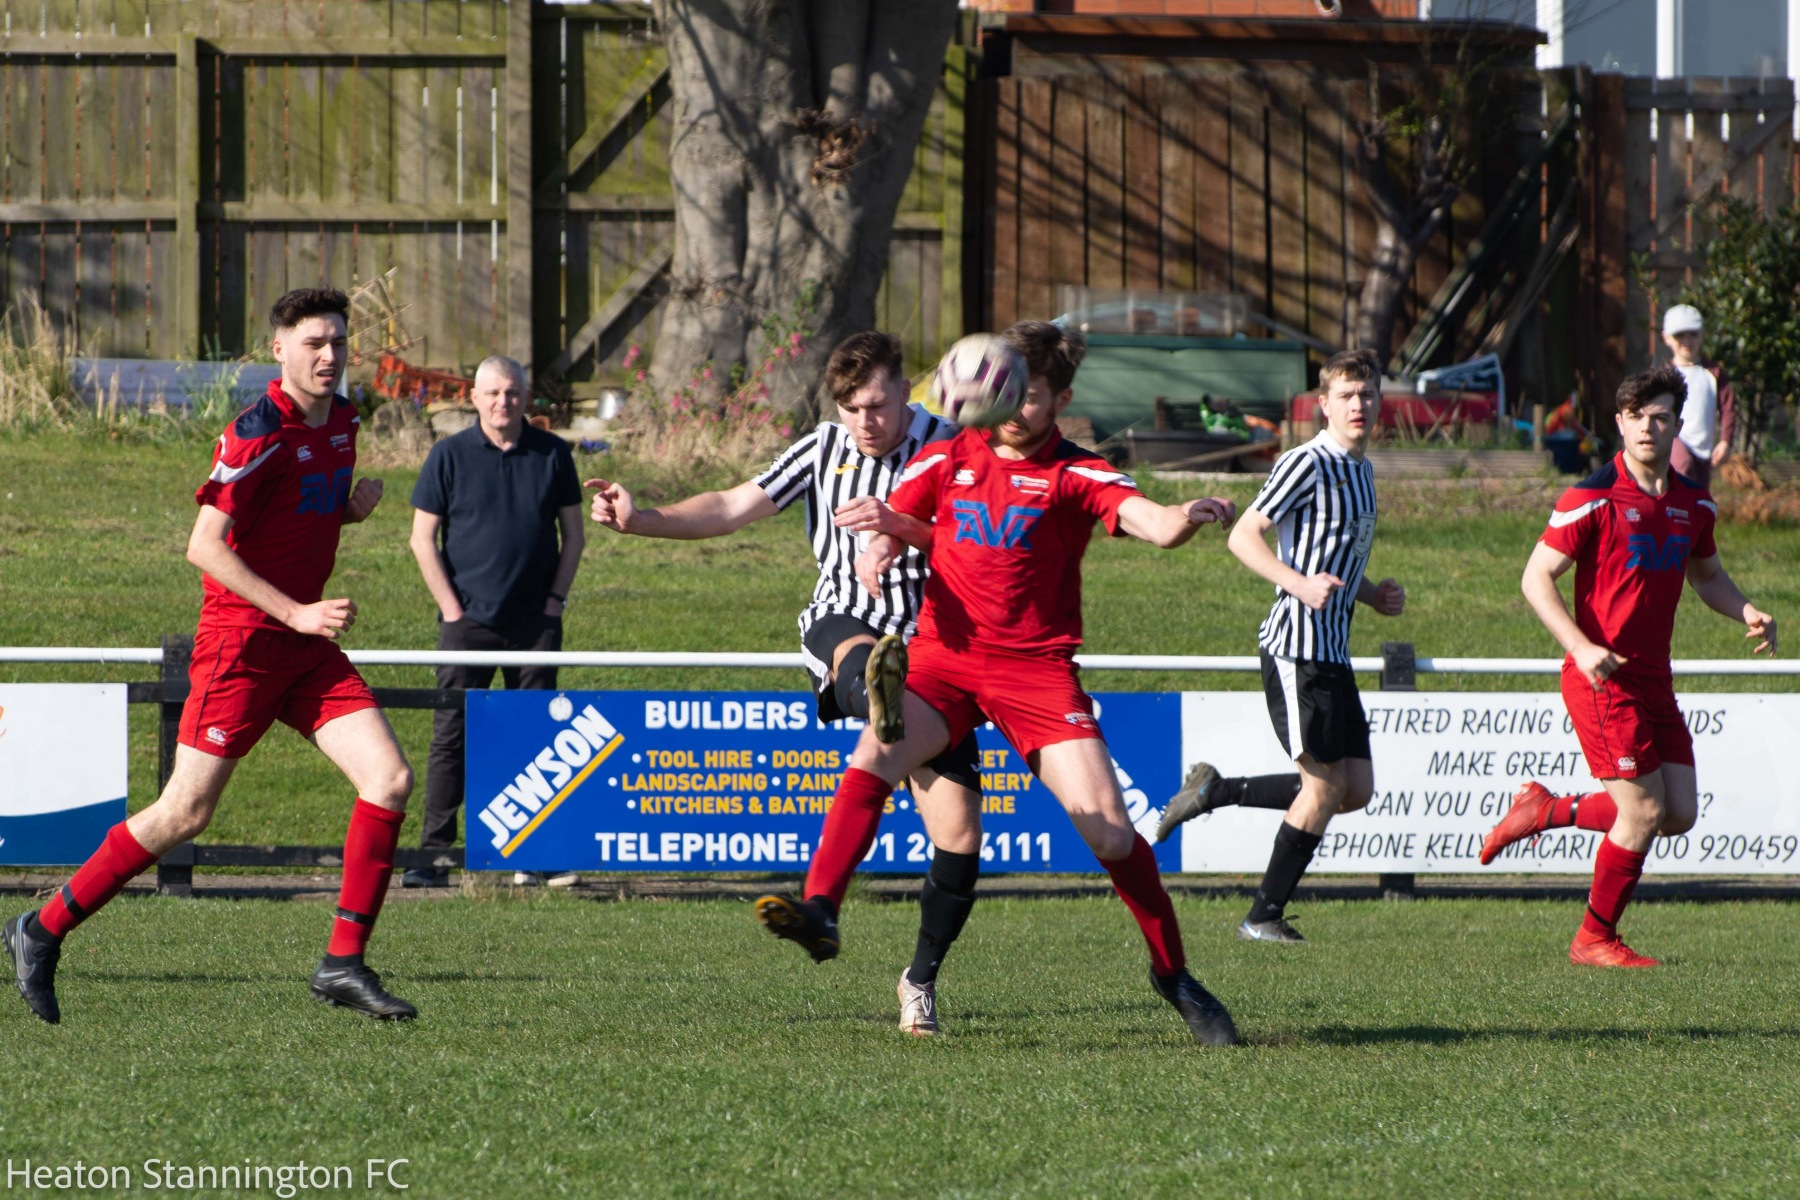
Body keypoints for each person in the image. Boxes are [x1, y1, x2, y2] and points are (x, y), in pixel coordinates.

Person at [756, 320, 1244, 1047]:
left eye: (1031, 396)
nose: (1014, 409)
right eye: (1004, 394)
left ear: (1060, 399)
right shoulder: (949, 455)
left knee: (1111, 836)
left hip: (1037, 673)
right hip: (945, 659)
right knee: (873, 758)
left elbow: (1153, 523)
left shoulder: (1079, 472)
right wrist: (882, 543)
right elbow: (898, 518)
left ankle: (1171, 973)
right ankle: (822, 908)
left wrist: (1188, 516)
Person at [4, 287, 418, 1024]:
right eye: (314, 343)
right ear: (279, 350)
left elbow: (294, 514)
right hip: (243, 645)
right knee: (184, 813)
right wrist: (294, 610)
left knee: (388, 780)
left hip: (302, 646)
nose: (329, 356)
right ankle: (40, 930)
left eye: (339, 343)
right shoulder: (255, 432)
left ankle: (342, 965)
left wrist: (345, 512)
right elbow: (204, 545)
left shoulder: (346, 421)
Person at [586, 331, 985, 1035]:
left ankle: (918, 978)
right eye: (850, 407)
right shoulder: (822, 449)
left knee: (958, 841)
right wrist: (640, 519)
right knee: (860, 654)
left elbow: (985, 541)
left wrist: (904, 529)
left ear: (904, 391)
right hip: (843, 621)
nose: (865, 420)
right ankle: (875, 693)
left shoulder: (950, 446)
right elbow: (730, 506)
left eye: (877, 404)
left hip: (939, 652)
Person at [1478, 364, 1775, 966]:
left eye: (1660, 416)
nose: (1648, 427)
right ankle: (1594, 938)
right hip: (1600, 677)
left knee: (1679, 813)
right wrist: (1582, 647)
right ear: (1619, 424)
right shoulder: (1591, 495)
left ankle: (1547, 809)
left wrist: (1746, 610)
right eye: (1636, 416)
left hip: (1652, 678)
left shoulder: (1695, 504)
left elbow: (1707, 575)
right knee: (1642, 811)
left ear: (1676, 425)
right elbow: (1535, 578)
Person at [1182, 348, 1405, 944]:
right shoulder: (1305, 462)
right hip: (1295, 649)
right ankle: (1262, 916)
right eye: (1347, 396)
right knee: (1324, 788)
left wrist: (1369, 594)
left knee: (1354, 789)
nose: (1358, 405)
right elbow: (1244, 536)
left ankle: (1216, 791)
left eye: (1367, 394)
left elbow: (1333, 557)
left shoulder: (1363, 470)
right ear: (1323, 406)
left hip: (1335, 651)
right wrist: (1298, 584)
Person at [404, 356, 585, 890]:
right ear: (474, 398)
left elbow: (573, 536)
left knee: (538, 739)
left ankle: (537, 854)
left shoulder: (553, 454)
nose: (502, 402)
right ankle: (434, 855)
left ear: (526, 397)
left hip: (536, 624)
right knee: (451, 736)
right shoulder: (449, 455)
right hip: (467, 625)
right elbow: (422, 538)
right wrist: (453, 610)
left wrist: (555, 602)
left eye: (512, 393)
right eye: (492, 393)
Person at [1659, 304, 1736, 490]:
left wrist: (1725, 441)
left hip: (1703, 448)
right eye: (1680, 335)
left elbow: (1728, 409)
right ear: (1666, 338)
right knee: (1682, 473)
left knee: (1699, 494)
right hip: (1675, 440)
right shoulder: (1663, 375)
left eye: (1693, 334)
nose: (1687, 341)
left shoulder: (1713, 373)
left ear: (1703, 335)